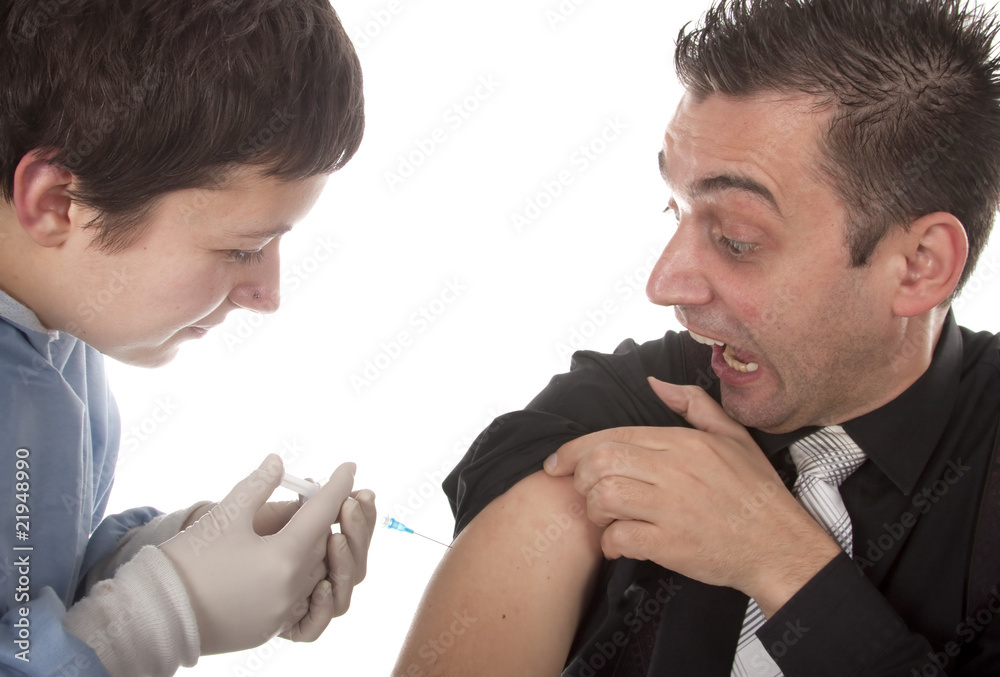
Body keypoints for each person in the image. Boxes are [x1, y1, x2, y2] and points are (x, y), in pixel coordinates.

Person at [393, 0, 1000, 675]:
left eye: (736, 239)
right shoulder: (630, 404)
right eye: (674, 209)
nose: (665, 283)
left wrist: (783, 561)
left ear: (920, 265)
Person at [0, 1, 376, 675]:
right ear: (59, 203)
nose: (268, 295)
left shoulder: (55, 333)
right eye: (242, 249)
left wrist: (177, 553)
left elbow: (27, 591)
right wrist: (158, 613)